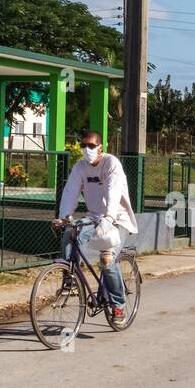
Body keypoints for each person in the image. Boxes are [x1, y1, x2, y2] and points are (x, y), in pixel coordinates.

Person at [54, 129, 138, 317]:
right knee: (70, 232)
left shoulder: (111, 163)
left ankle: (118, 306)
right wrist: (64, 216)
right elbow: (70, 192)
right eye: (83, 145)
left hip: (117, 219)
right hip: (94, 217)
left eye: (91, 146)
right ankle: (70, 279)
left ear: (101, 148)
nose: (86, 149)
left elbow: (113, 190)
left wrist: (109, 216)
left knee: (107, 260)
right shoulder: (80, 167)